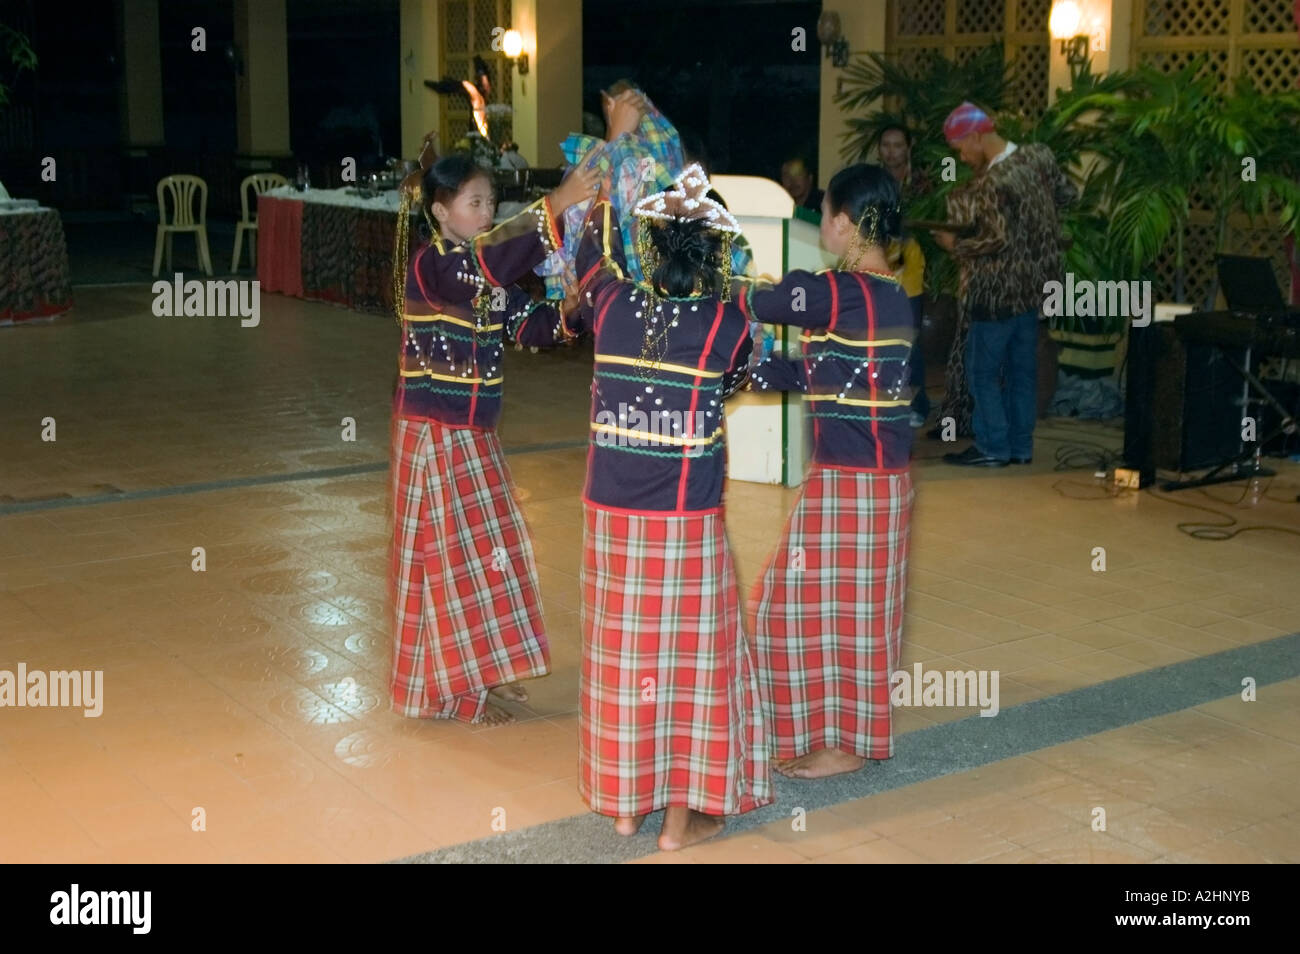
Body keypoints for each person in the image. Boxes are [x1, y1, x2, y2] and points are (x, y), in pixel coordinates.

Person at [574, 163, 772, 851]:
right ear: (716, 253)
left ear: (650, 248)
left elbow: (584, 256)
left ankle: (627, 806)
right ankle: (681, 822)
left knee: (624, 658)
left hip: (611, 517)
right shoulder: (729, 322)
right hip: (685, 522)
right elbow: (747, 369)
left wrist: (597, 201)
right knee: (691, 663)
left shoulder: (608, 303)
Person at [387, 153, 600, 726]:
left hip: (475, 435)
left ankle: (478, 676)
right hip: (435, 433)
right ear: (440, 210)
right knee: (447, 562)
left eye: (491, 203)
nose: (486, 213)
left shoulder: (482, 274)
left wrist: (571, 314)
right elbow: (488, 266)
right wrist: (554, 205)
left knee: (488, 558)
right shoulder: (434, 266)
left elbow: (530, 324)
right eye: (474, 203)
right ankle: (452, 693)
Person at [738, 164, 915, 779]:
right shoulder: (888, 296)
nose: (823, 229)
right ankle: (822, 730)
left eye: (827, 217)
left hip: (859, 483)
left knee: (851, 617)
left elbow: (771, 299)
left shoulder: (842, 292)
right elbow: (825, 374)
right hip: (854, 480)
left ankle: (847, 745)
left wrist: (721, 288)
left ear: (842, 222)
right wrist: (750, 373)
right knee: (801, 605)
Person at [935, 102, 1075, 467]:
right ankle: (1020, 447)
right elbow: (1068, 195)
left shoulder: (993, 182)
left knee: (982, 371)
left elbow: (994, 239)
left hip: (996, 293)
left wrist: (955, 244)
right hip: (1036, 289)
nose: (962, 157)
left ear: (977, 137)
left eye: (962, 148)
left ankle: (992, 448)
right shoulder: (1039, 156)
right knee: (1022, 371)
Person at [878, 123, 931, 428]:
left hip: (910, 272)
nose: (891, 151)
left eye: (898, 145)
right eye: (886, 145)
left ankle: (918, 404)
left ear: (908, 148)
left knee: (909, 342)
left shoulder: (921, 184)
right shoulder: (874, 182)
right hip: (880, 271)